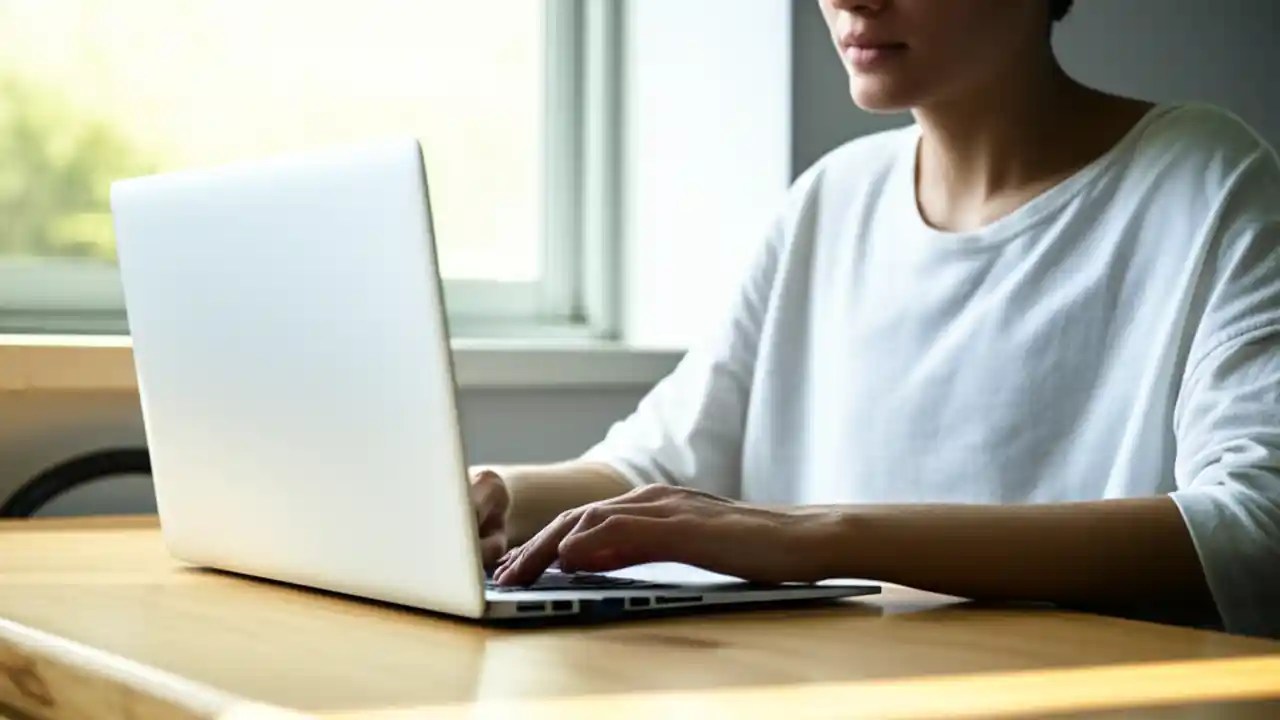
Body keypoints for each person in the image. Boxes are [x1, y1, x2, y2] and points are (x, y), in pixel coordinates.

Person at [470, 0, 1280, 637]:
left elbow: (1254, 530)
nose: (852, 0)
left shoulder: (1205, 180)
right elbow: (658, 464)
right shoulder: (835, 196)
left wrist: (814, 537)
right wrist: (491, 496)